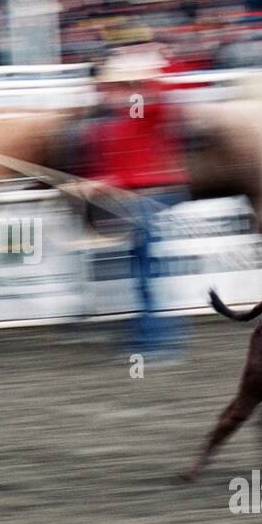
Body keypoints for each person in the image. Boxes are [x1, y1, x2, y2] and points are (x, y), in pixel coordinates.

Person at [77, 46, 191, 356]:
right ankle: (151, 336)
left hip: (151, 196)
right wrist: (99, 183)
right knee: (144, 272)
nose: (103, 93)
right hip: (142, 197)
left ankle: (158, 340)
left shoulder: (146, 109)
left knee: (147, 273)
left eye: (110, 87)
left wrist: (148, 71)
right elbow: (123, 169)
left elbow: (164, 101)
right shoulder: (120, 120)